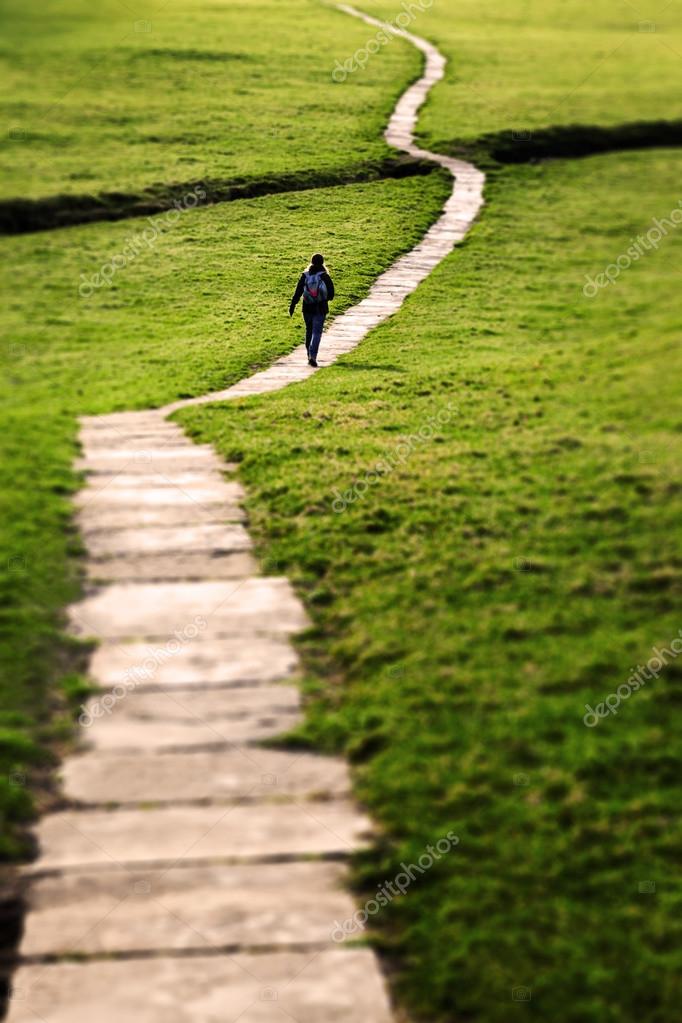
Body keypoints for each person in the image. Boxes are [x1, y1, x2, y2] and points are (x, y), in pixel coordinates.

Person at [289, 253, 335, 367]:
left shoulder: (305, 275)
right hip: (321, 308)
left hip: (307, 307)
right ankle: (313, 356)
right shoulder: (324, 276)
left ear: (312, 262)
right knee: (317, 333)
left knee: (309, 331)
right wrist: (323, 298)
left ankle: (309, 354)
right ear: (322, 262)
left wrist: (293, 304)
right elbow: (331, 293)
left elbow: (298, 291)